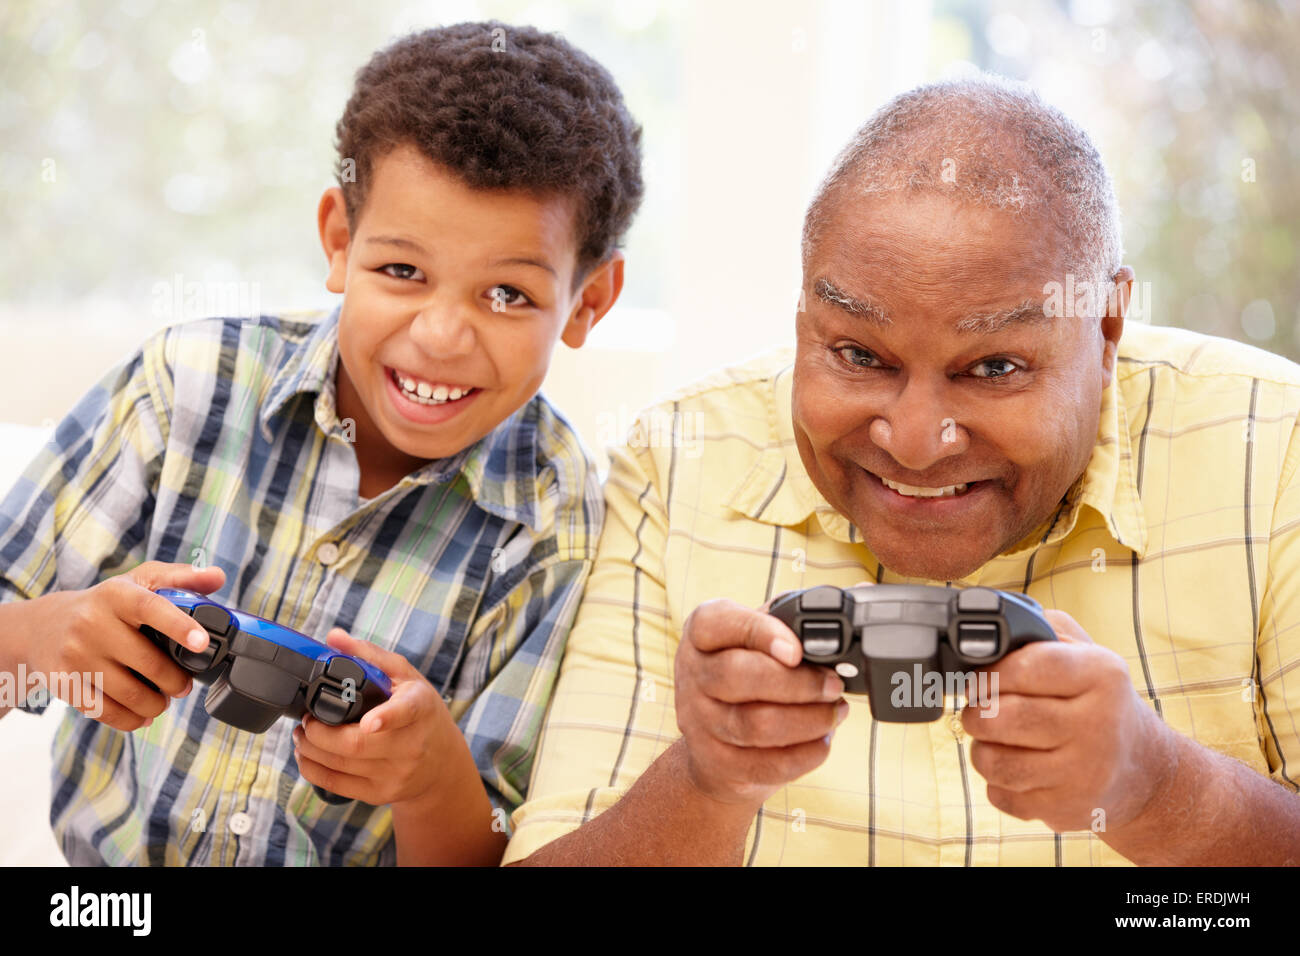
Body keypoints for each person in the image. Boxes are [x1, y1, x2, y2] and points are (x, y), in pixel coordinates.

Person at [504, 74, 1300, 866]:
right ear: (803, 323)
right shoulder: (674, 464)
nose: (918, 442)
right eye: (857, 354)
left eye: (993, 367)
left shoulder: (1274, 453)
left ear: (1107, 326)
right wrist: (705, 782)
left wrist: (1156, 789)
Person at [0, 20, 642, 866]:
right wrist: (40, 639)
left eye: (508, 294)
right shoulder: (189, 383)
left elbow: (488, 850)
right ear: (339, 239)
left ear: (590, 300)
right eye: (402, 272)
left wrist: (428, 777)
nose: (442, 336)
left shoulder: (555, 526)